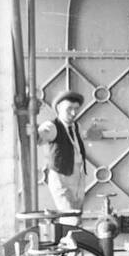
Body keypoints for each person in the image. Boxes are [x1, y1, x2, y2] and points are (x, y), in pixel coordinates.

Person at [37, 90, 89, 224]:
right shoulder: (52, 126)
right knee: (71, 218)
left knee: (75, 216)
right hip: (61, 177)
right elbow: (42, 135)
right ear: (59, 108)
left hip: (78, 176)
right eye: (69, 109)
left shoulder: (76, 126)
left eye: (76, 109)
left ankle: (71, 241)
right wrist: (36, 132)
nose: (73, 113)